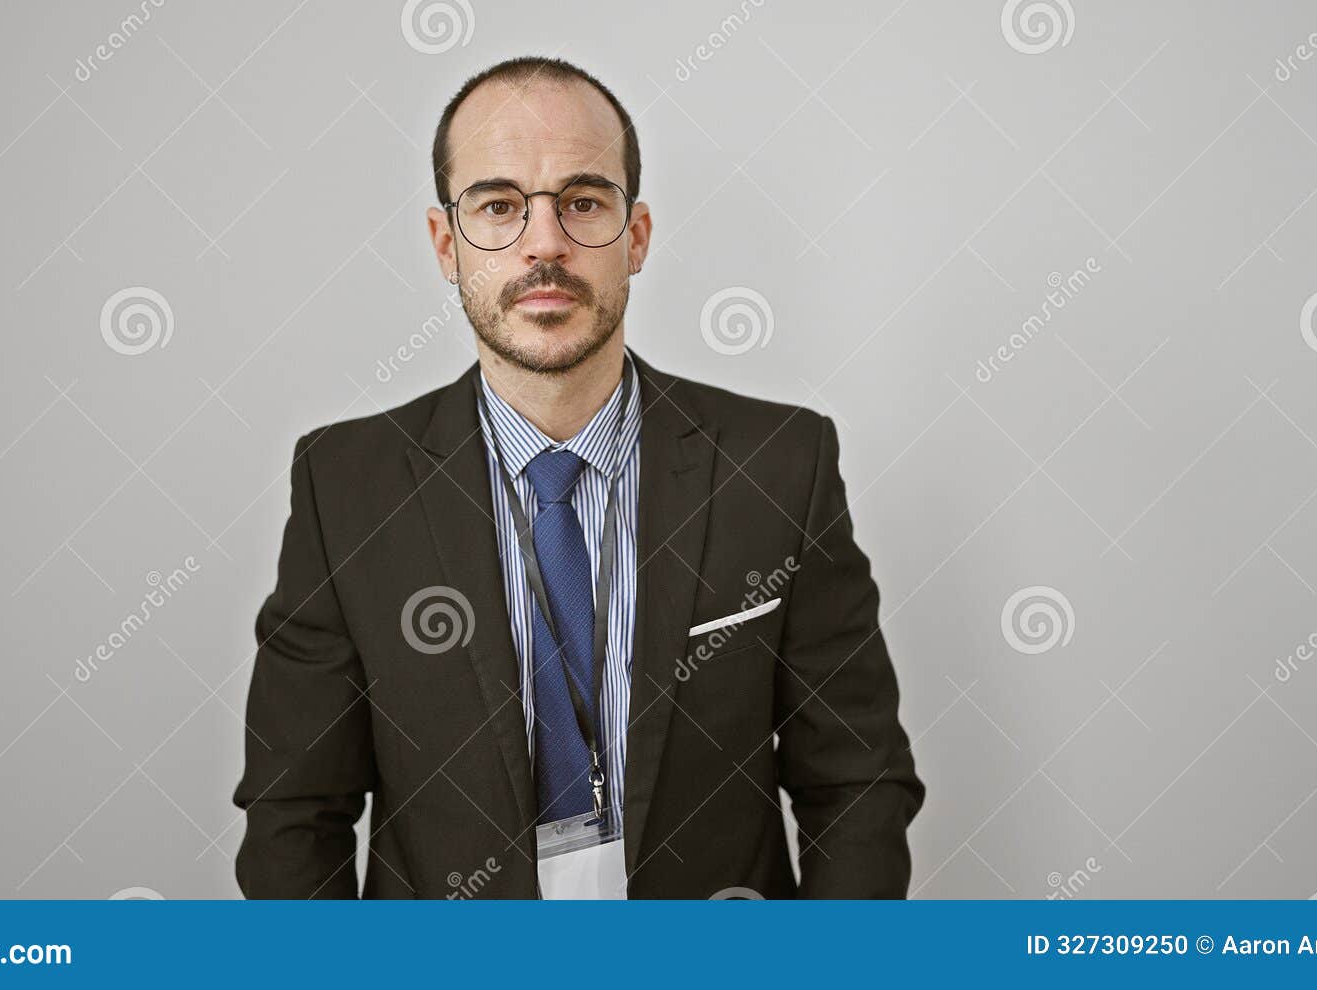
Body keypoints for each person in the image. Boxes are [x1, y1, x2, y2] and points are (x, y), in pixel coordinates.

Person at [233, 55, 924, 899]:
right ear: (447, 245)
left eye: (584, 202)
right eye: (498, 206)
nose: (545, 243)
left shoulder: (781, 462)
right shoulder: (346, 485)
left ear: (635, 238)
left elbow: (856, 780)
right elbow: (294, 812)